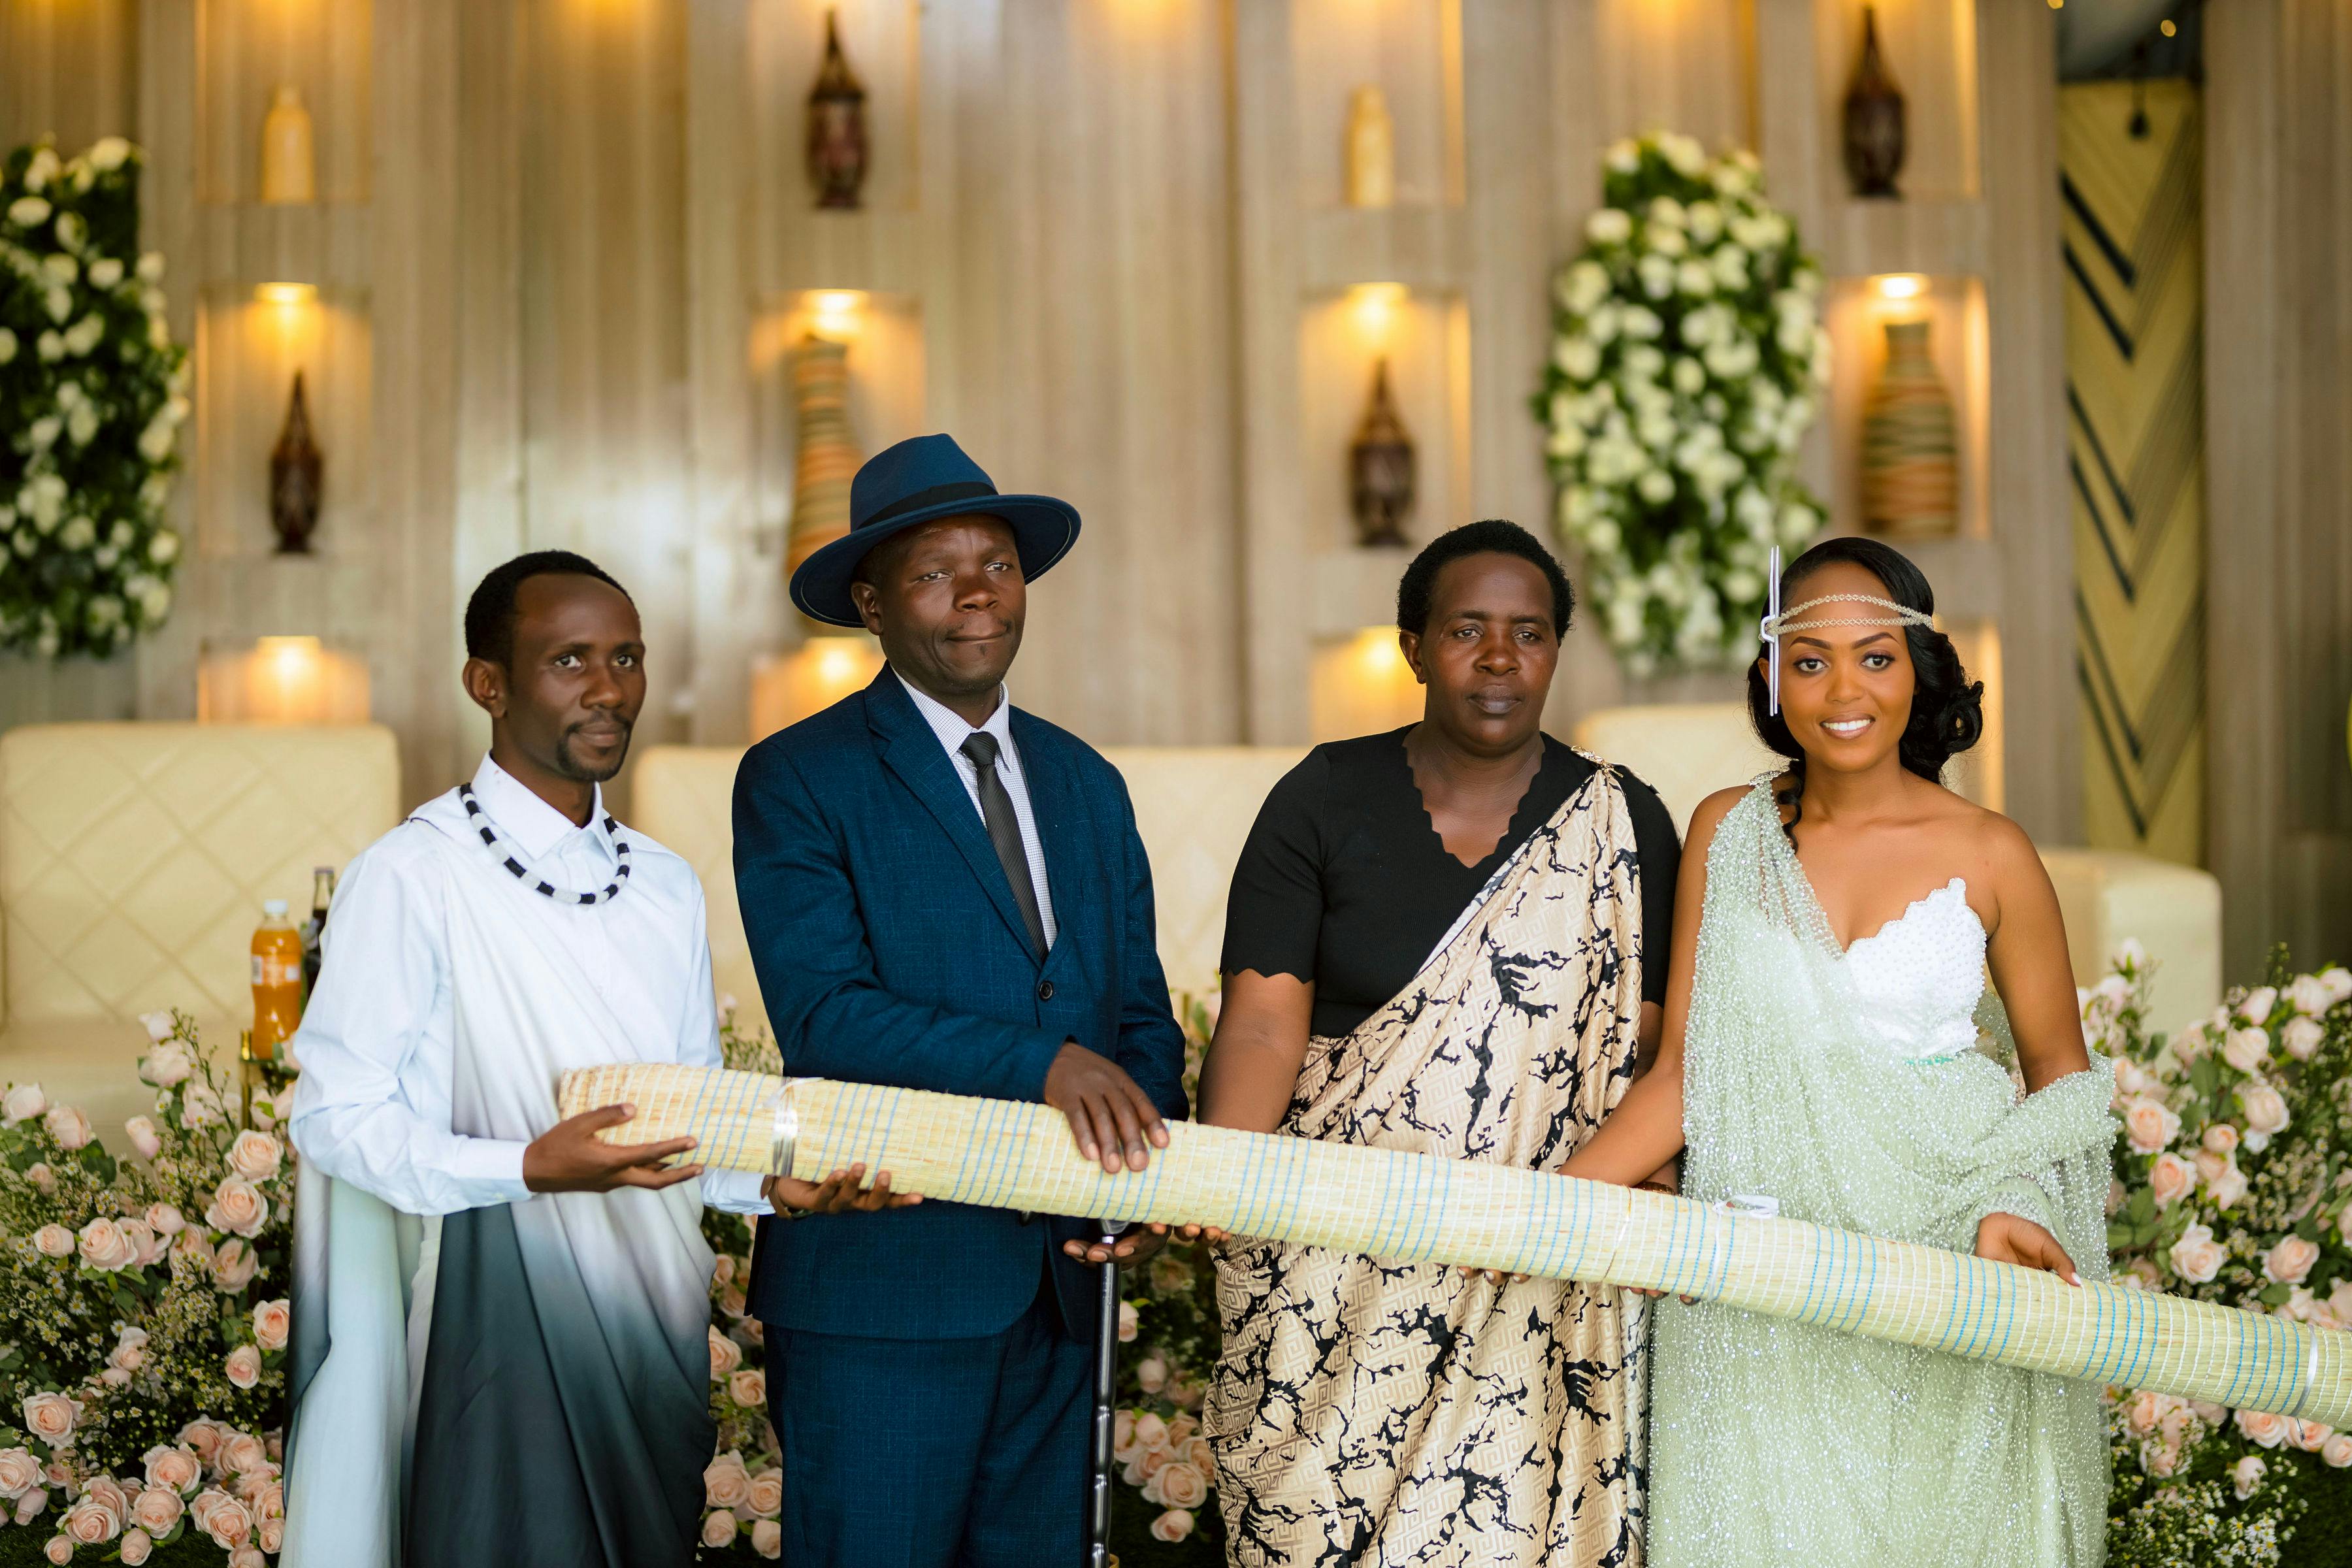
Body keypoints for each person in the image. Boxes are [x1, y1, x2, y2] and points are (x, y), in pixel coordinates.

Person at [282, 551, 907, 1568]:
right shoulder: (411, 875)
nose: (610, 687)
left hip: (648, 1328)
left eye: (626, 657)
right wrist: (528, 1168)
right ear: (489, 683)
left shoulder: (663, 885)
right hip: (480, 1335)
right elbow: (332, 1118)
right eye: (570, 659)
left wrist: (777, 1186)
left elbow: (687, 1111)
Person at [1560, 536, 2115, 1565]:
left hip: (1947, 1255)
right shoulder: (1727, 833)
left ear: (1919, 672)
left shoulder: (1994, 852)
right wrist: (1537, 1223)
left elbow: (2062, 1075)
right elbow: (1682, 1074)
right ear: (1772, 678)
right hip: (1760, 1268)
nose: (1844, 689)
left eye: (1876, 657)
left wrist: (2023, 1201)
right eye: (1811, 660)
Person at [735, 433, 1192, 1566]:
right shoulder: (797, 777)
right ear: (871, 602)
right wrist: (1043, 1064)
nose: (978, 592)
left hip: (1059, 1293)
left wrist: (1143, 1158)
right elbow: (829, 1017)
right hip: (885, 1296)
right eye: (937, 572)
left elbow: (1138, 1008)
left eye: (997, 563)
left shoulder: (1086, 781)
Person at [1195, 519, 1683, 1568]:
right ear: (1413, 646)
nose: (1501, 658)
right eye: (1468, 629)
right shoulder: (1320, 798)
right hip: (1335, 1266)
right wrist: (1215, 1184)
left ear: (1557, 649)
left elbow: (1639, 1060)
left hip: (1545, 1267)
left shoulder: (1624, 823)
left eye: (1530, 633)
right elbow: (1267, 1019)